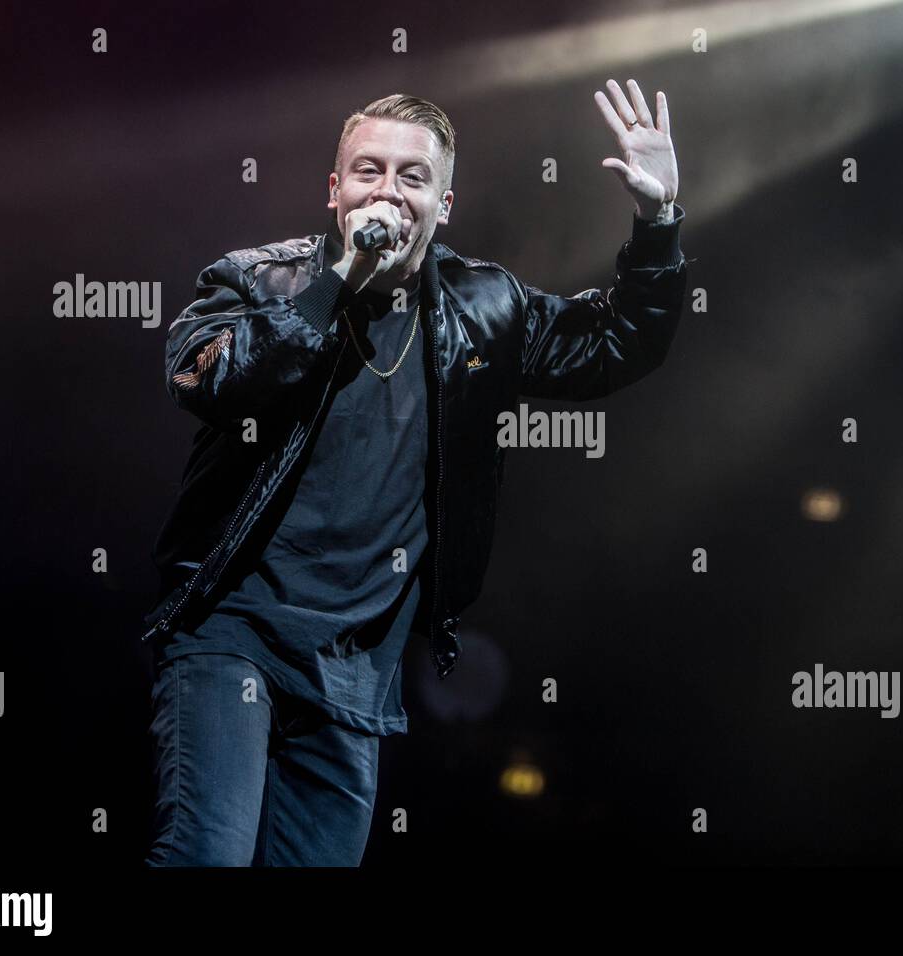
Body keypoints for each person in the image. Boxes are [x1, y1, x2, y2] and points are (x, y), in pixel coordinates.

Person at [143, 80, 688, 865]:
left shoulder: (486, 307)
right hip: (233, 632)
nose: (387, 192)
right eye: (368, 170)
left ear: (445, 203)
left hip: (355, 664)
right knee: (209, 858)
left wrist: (659, 220)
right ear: (334, 191)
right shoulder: (254, 282)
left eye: (411, 177)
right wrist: (342, 284)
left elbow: (616, 345)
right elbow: (219, 384)